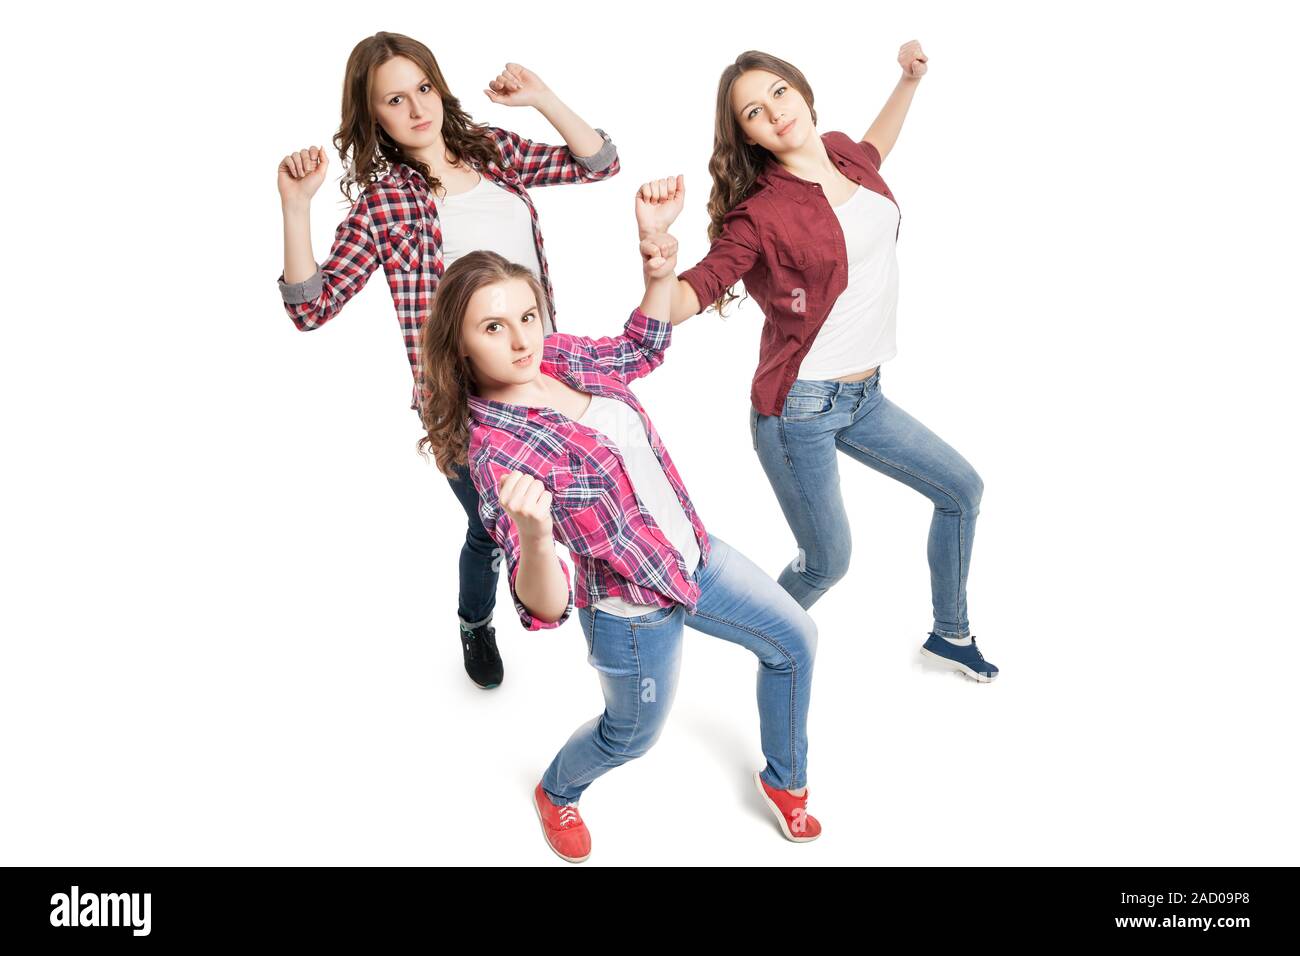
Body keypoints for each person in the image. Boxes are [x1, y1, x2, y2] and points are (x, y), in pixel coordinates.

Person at [415, 206, 821, 862]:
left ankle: (785, 780)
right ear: (461, 345)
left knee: (795, 641)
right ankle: (557, 790)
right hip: (631, 611)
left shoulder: (557, 354)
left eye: (527, 315)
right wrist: (537, 536)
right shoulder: (496, 449)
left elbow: (639, 350)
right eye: (493, 327)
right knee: (631, 735)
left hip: (692, 553)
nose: (521, 340)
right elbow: (541, 608)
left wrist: (658, 272)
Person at [634, 44, 998, 682]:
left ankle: (950, 634)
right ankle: (744, 631)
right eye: (753, 111)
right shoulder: (759, 214)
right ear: (745, 135)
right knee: (827, 563)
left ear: (799, 90)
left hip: (865, 400)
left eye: (778, 92)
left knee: (961, 491)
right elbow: (698, 289)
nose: (774, 112)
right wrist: (660, 268)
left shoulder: (842, 153)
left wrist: (907, 82)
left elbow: (875, 144)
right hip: (799, 410)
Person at [275, 32, 620, 688]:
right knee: (491, 526)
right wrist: (296, 208)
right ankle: (475, 621)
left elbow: (597, 163)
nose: (416, 109)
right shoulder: (384, 204)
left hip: (542, 378)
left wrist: (542, 97)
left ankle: (613, 627)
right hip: (461, 407)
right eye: (394, 100)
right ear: (372, 115)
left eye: (423, 89)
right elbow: (310, 308)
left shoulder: (492, 152)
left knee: (578, 503)